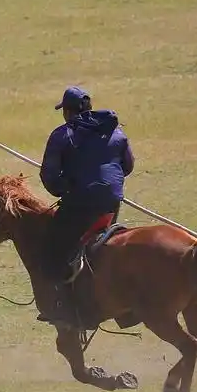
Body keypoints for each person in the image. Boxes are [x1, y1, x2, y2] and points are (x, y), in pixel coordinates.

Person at [38, 85, 135, 326]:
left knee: (51, 248)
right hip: (111, 201)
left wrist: (65, 188)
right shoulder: (115, 132)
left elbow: (49, 176)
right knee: (103, 246)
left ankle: (62, 306)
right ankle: (125, 309)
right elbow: (128, 165)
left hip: (81, 202)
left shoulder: (62, 135)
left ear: (67, 112)